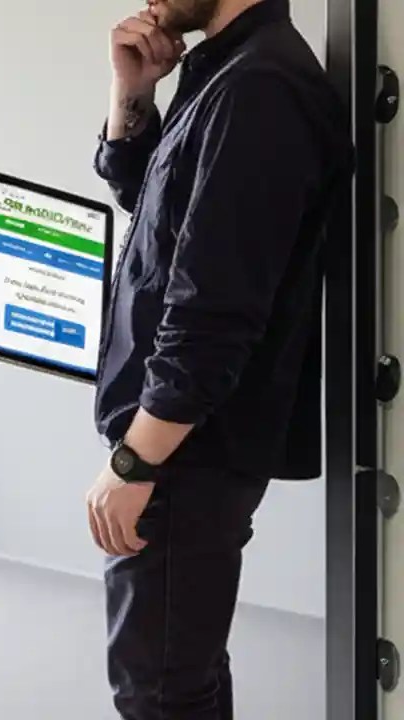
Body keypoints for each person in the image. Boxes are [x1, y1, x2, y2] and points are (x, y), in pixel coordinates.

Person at [84, 0, 350, 717]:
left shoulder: (261, 89)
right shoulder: (228, 72)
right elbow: (152, 204)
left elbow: (215, 308)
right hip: (184, 447)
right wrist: (133, 93)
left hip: (184, 452)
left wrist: (136, 461)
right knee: (180, 677)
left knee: (160, 693)